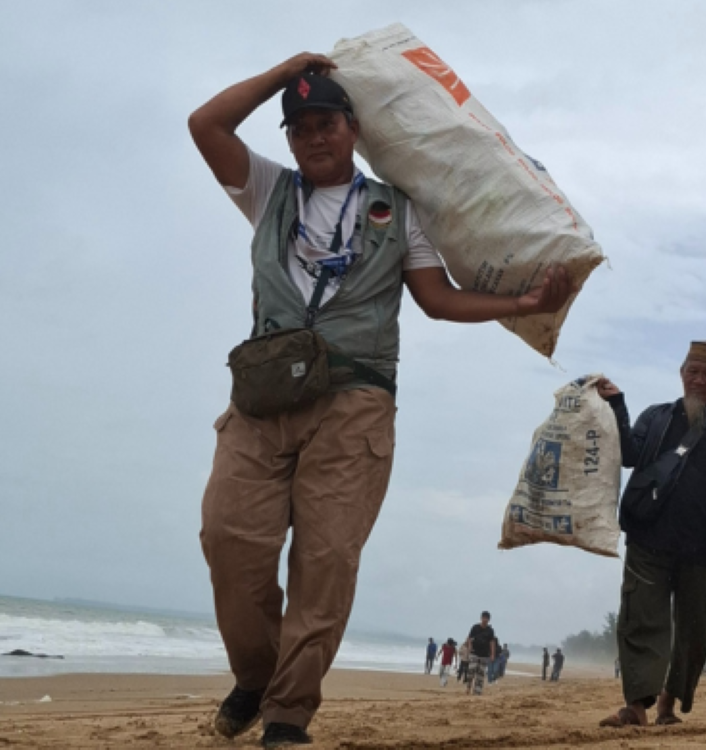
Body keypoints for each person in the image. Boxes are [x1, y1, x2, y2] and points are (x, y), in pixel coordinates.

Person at [190, 54, 574, 749]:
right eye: (300, 126)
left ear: (352, 127)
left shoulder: (395, 211)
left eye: (326, 122)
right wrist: (285, 73)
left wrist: (518, 303)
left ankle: (285, 715)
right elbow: (205, 123)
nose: (314, 137)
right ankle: (256, 674)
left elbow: (436, 299)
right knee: (228, 538)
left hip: (354, 402)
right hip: (262, 398)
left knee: (326, 561)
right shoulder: (268, 192)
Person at [596, 341, 706, 729]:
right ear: (681, 373)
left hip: (703, 548)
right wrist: (617, 404)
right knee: (641, 619)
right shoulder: (655, 417)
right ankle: (636, 708)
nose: (699, 380)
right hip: (648, 540)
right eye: (693, 371)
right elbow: (629, 454)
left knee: (694, 629)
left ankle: (667, 706)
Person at [464, 611, 496, 696]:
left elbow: (492, 642)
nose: (485, 620)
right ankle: (468, 687)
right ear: (481, 618)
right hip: (474, 653)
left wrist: (492, 654)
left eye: (486, 618)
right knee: (471, 671)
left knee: (480, 674)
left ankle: (477, 692)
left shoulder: (490, 631)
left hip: (484, 655)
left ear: (489, 620)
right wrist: (469, 648)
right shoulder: (475, 628)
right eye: (483, 618)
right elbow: (469, 638)